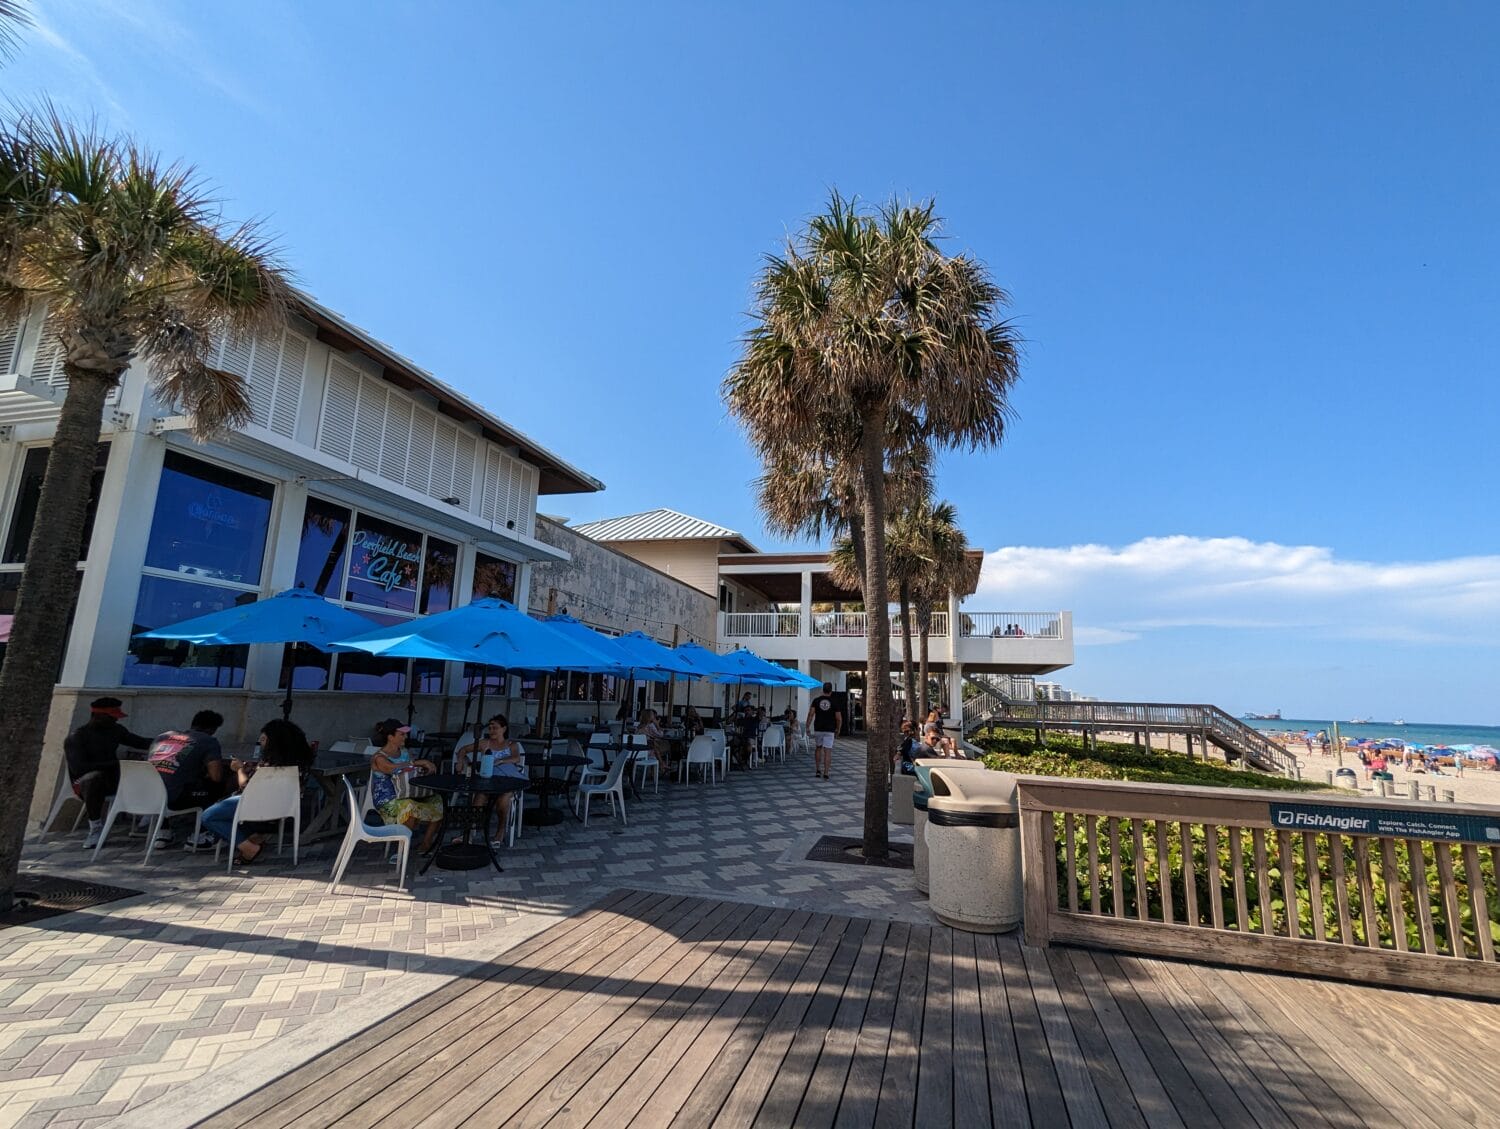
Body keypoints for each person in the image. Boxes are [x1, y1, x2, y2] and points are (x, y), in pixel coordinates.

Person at [201, 718, 314, 866]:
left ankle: (249, 848)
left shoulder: (269, 765)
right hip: (285, 807)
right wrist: (252, 770)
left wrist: (239, 770)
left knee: (209, 816)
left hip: (256, 805)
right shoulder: (300, 764)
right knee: (225, 812)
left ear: (274, 742)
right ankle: (255, 837)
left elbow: (246, 787)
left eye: (264, 739)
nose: (260, 741)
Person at [65, 697, 152, 849]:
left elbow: (140, 742)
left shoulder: (116, 731)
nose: (115, 721)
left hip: (112, 778)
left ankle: (150, 815)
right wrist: (115, 764)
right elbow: (79, 768)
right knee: (94, 778)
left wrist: (166, 741)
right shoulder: (77, 736)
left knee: (148, 769)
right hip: (84, 784)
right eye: (112, 717)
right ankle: (95, 827)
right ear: (98, 716)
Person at [147, 709, 228, 849]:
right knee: (217, 786)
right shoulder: (208, 741)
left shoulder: (163, 737)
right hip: (175, 799)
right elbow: (216, 776)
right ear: (212, 729)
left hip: (147, 796)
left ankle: (163, 832)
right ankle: (200, 836)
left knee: (166, 779)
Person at [369, 718, 444, 853]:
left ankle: (426, 843)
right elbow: (391, 768)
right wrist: (418, 763)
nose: (406, 737)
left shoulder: (404, 752)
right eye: (402, 734)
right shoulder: (378, 757)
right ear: (390, 737)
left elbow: (411, 769)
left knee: (437, 800)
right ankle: (401, 851)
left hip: (406, 793)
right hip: (387, 800)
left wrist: (422, 768)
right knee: (408, 806)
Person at [456, 714, 526, 829]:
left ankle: (500, 830)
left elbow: (516, 758)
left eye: (495, 728)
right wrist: (460, 762)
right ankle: (469, 832)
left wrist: (501, 761)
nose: (491, 731)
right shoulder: (485, 743)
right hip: (489, 781)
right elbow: (463, 749)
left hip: (507, 781)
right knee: (479, 797)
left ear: (504, 729)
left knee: (503, 799)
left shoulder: (511, 744)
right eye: (490, 728)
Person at [805, 682, 841, 780]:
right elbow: (838, 718)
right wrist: (838, 729)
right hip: (830, 729)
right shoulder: (834, 702)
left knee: (818, 748)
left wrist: (807, 726)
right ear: (831, 691)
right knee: (827, 751)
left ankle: (818, 770)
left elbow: (811, 714)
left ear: (823, 690)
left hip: (818, 728)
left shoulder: (816, 700)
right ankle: (826, 773)